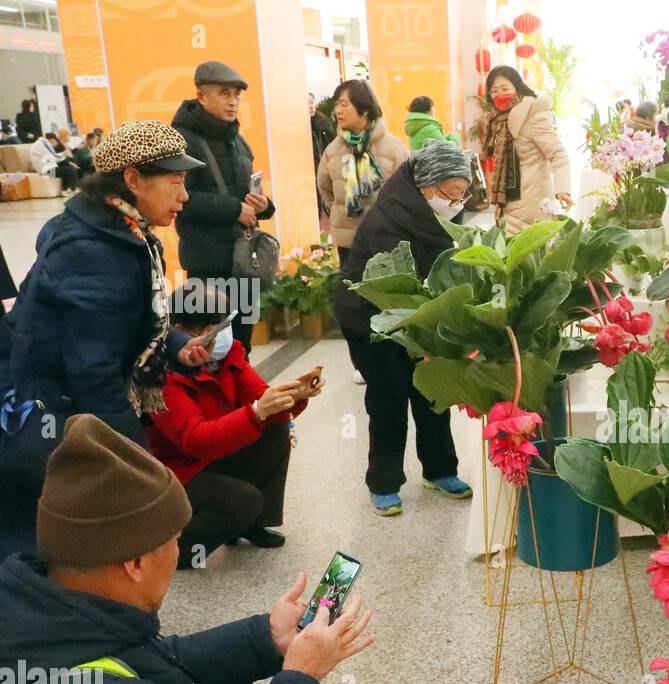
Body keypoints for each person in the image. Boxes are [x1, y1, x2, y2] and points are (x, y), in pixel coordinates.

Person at [0, 413, 375, 684]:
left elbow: (146, 659)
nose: (179, 552)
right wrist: (301, 677)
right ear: (135, 562)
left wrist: (266, 638)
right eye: (174, 539)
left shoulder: (36, 612)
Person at [0, 121, 213, 557]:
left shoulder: (119, 229)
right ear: (133, 179)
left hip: (63, 404)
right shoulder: (94, 251)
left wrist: (174, 345)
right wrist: (139, 461)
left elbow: (123, 321)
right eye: (174, 181)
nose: (184, 195)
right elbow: (92, 375)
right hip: (46, 414)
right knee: (49, 550)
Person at [332, 141, 474, 514]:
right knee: (389, 395)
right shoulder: (390, 219)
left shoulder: (440, 209)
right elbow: (394, 288)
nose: (458, 202)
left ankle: (440, 469)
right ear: (428, 186)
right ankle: (384, 481)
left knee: (432, 389)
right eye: (452, 193)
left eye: (463, 193)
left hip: (420, 313)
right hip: (369, 314)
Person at [148, 285, 321, 566]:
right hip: (179, 471)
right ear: (184, 332)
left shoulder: (228, 355)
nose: (225, 334)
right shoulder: (161, 377)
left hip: (216, 453)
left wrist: (294, 396)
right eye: (215, 328)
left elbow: (259, 397)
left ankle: (252, 524)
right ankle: (182, 551)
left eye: (226, 324)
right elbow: (196, 439)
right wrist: (256, 412)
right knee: (245, 500)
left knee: (276, 430)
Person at [172, 61, 276, 354]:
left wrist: (263, 205)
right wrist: (233, 209)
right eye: (224, 93)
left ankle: (241, 399)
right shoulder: (183, 140)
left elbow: (247, 192)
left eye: (237, 95)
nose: (233, 102)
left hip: (243, 261)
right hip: (208, 263)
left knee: (242, 345)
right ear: (201, 96)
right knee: (211, 346)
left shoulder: (237, 139)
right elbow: (180, 198)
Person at [317, 79, 409, 266]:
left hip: (385, 240)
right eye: (336, 105)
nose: (338, 111)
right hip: (347, 243)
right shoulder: (332, 150)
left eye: (344, 104)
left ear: (364, 110)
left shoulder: (393, 148)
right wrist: (340, 212)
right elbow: (325, 188)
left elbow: (408, 191)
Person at [478, 65, 572, 234]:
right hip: (506, 202)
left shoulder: (533, 116)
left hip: (531, 202)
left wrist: (562, 189)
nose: (499, 95)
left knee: (529, 254)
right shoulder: (497, 121)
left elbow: (558, 154)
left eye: (505, 88)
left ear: (518, 88)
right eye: (494, 91)